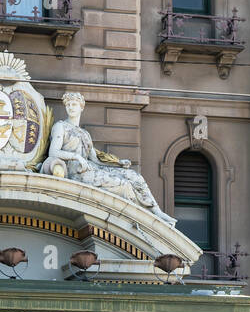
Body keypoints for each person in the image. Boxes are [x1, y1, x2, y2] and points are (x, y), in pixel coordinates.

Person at [41, 92, 176, 223]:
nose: (71, 107)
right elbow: (53, 152)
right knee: (124, 185)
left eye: (74, 104)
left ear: (81, 107)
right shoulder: (60, 126)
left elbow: (95, 159)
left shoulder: (85, 133)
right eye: (68, 104)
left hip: (91, 168)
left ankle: (157, 212)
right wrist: (76, 157)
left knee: (135, 176)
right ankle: (144, 218)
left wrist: (118, 164)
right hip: (77, 172)